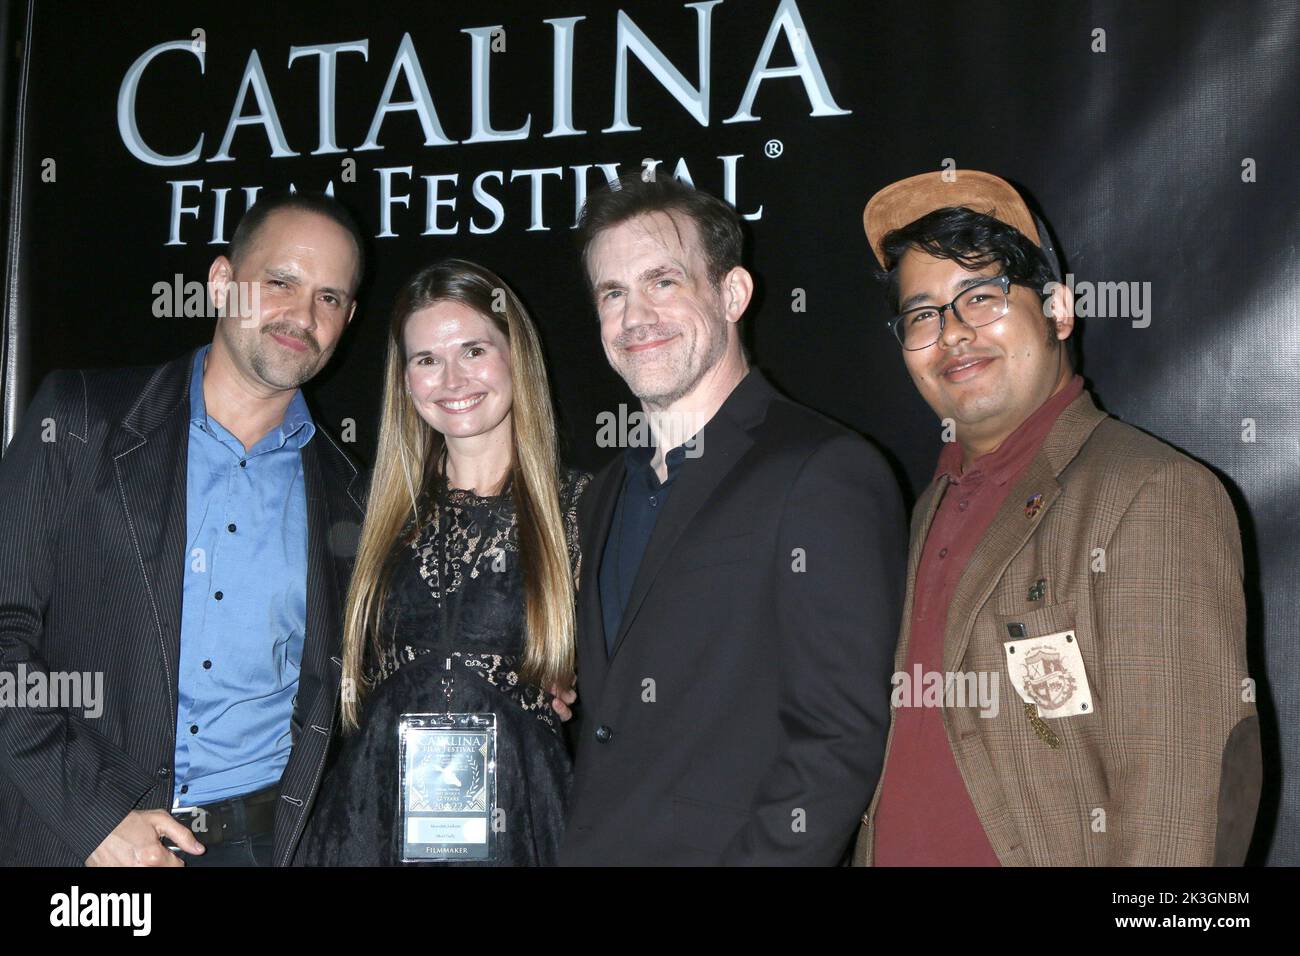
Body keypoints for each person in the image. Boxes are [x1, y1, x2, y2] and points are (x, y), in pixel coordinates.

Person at [854, 169, 1262, 866]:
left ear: (1060, 311)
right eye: (922, 314)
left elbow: (1179, 811)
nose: (952, 333)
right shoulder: (929, 506)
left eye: (981, 296)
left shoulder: (1153, 492)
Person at [0, 192, 367, 865]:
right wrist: (95, 815)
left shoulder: (353, 497)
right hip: (79, 840)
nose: (303, 315)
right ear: (222, 281)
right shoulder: (80, 419)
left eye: (330, 298)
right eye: (280, 282)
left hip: (259, 847)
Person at [558, 173, 907, 866]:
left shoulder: (822, 470)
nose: (635, 317)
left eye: (663, 282)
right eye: (613, 293)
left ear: (732, 294)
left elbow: (838, 741)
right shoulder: (602, 494)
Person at [297, 259, 587, 866]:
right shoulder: (366, 510)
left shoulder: (586, 508)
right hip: (369, 825)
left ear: (517, 356)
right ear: (405, 379)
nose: (451, 379)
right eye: (426, 359)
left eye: (474, 350)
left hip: (526, 824)